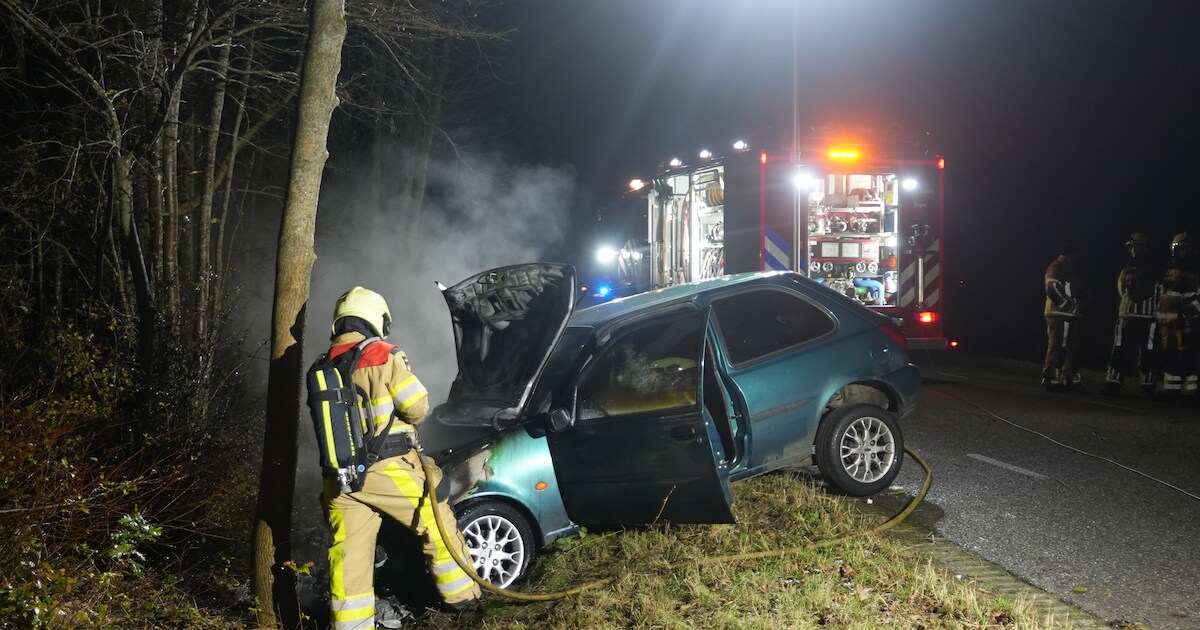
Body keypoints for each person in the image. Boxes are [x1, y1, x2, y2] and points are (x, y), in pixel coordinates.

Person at [317, 286, 481, 629]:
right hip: (386, 467)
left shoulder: (326, 364)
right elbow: (416, 406)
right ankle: (465, 600)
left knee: (349, 556)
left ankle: (351, 626)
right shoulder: (382, 353)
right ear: (375, 318)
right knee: (437, 523)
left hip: (339, 477)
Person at [1100, 233, 1160, 397]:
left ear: (1145, 248)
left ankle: (1148, 386)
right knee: (1119, 349)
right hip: (1127, 315)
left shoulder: (1154, 268)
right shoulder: (1126, 268)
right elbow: (1121, 289)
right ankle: (1113, 382)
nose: (1134, 250)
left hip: (1148, 317)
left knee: (1148, 352)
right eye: (1132, 247)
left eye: (1137, 246)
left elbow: (1154, 290)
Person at [1155, 233, 1200, 403]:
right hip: (1167, 321)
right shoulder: (1167, 270)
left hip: (1186, 322)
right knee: (1169, 355)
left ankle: (1193, 392)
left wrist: (1187, 312)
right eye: (1180, 249)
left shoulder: (1195, 272)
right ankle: (1171, 389)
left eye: (1187, 250)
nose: (1183, 253)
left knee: (1187, 356)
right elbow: (1161, 295)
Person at [1042, 243, 1084, 391]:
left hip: (1070, 316)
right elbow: (1052, 289)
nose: (1077, 259)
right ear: (1068, 255)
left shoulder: (1068, 270)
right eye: (1075, 256)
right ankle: (1052, 378)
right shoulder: (1056, 269)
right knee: (1059, 346)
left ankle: (1067, 377)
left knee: (1069, 347)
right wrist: (1067, 304)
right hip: (1060, 315)